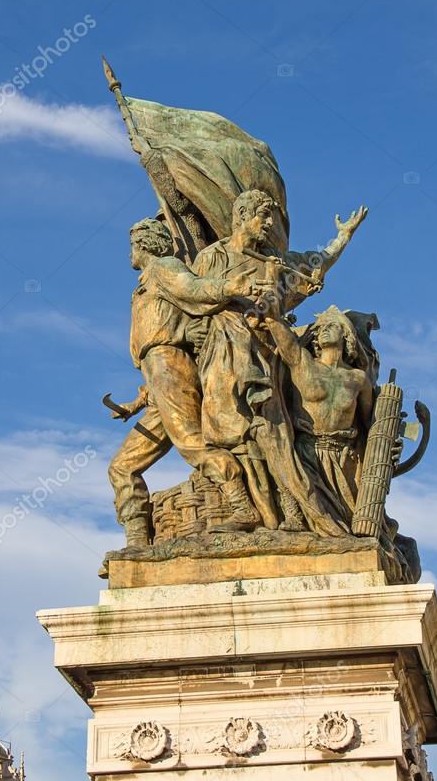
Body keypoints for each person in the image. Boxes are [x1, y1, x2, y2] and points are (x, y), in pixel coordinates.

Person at [189, 190, 368, 533]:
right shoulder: (213, 257)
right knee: (225, 432)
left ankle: (292, 511)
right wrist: (231, 289)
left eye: (271, 216)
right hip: (222, 351)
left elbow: (317, 261)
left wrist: (343, 237)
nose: (270, 223)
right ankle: (248, 508)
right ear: (242, 215)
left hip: (264, 356)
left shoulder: (274, 259)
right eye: (264, 215)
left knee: (271, 433)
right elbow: (193, 295)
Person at [107, 218, 258, 547]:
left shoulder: (163, 268)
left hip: (170, 366)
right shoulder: (146, 282)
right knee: (122, 466)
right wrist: (138, 401)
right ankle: (137, 542)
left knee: (192, 444)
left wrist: (232, 287)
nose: (130, 253)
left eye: (132, 245)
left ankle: (242, 506)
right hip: (156, 377)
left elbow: (194, 289)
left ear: (145, 244)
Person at [264, 305, 373, 526]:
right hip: (306, 454)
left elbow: (369, 424)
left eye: (332, 326)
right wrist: (268, 310)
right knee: (318, 517)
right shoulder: (304, 363)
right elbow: (281, 335)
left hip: (344, 459)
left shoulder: (358, 379)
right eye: (321, 327)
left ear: (347, 336)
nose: (324, 330)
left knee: (350, 522)